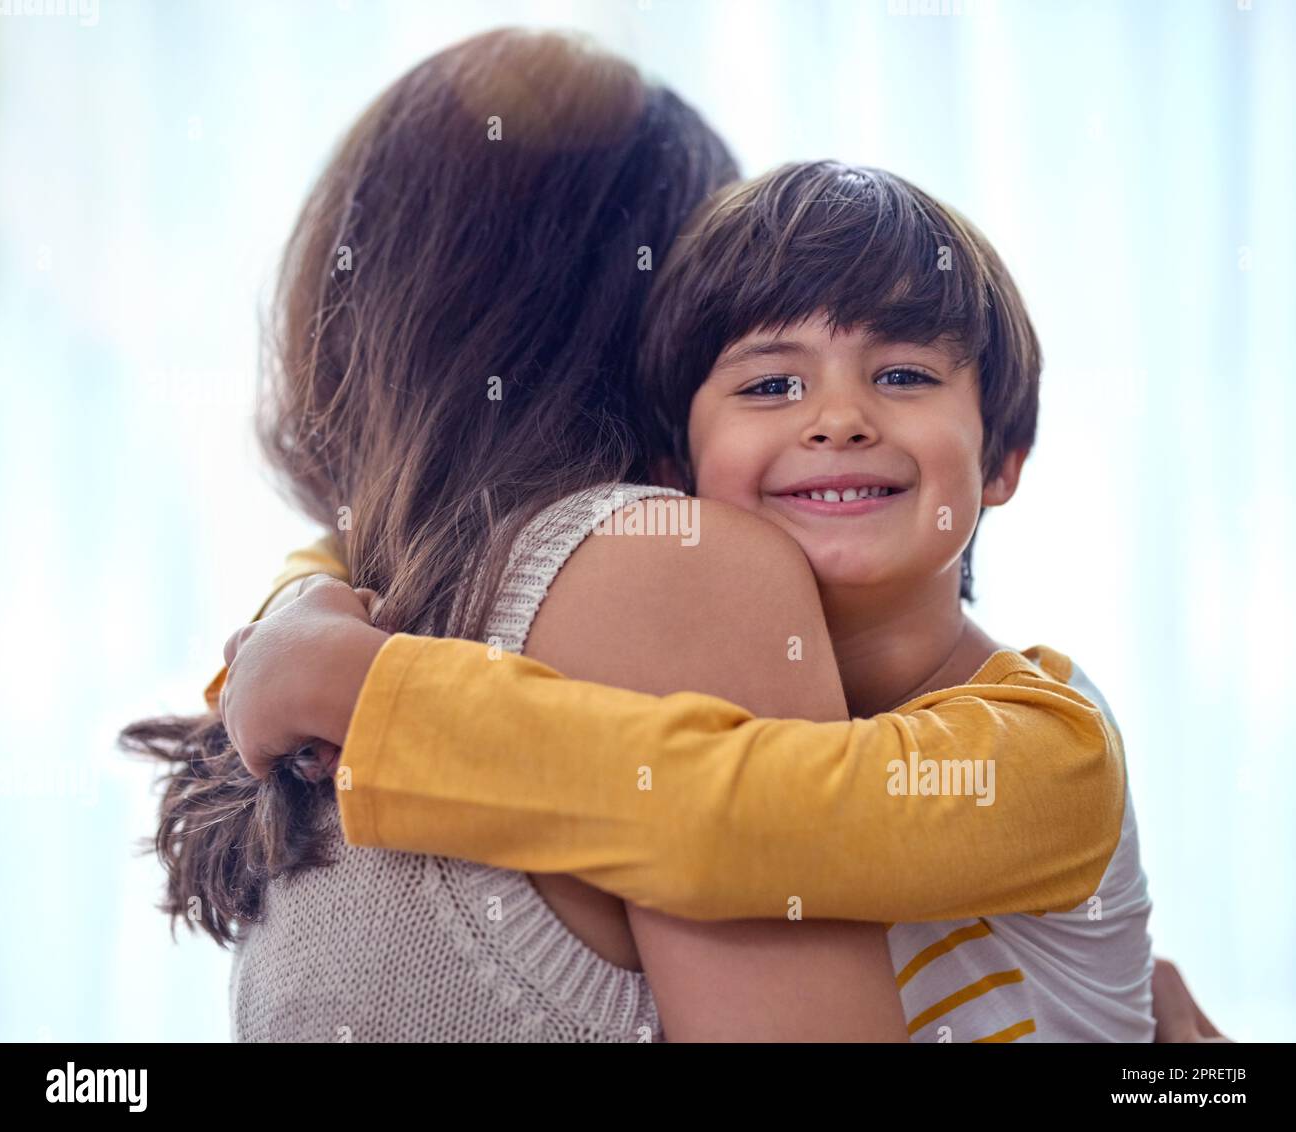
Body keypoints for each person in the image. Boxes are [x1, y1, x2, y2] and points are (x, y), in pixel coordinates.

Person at [215, 164, 1172, 1040]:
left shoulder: (1057, 754)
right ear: (673, 470)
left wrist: (371, 698)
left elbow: (730, 819)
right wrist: (304, 597)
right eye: (772, 384)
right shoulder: (694, 639)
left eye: (904, 375)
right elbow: (397, 538)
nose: (838, 418)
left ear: (1001, 459)